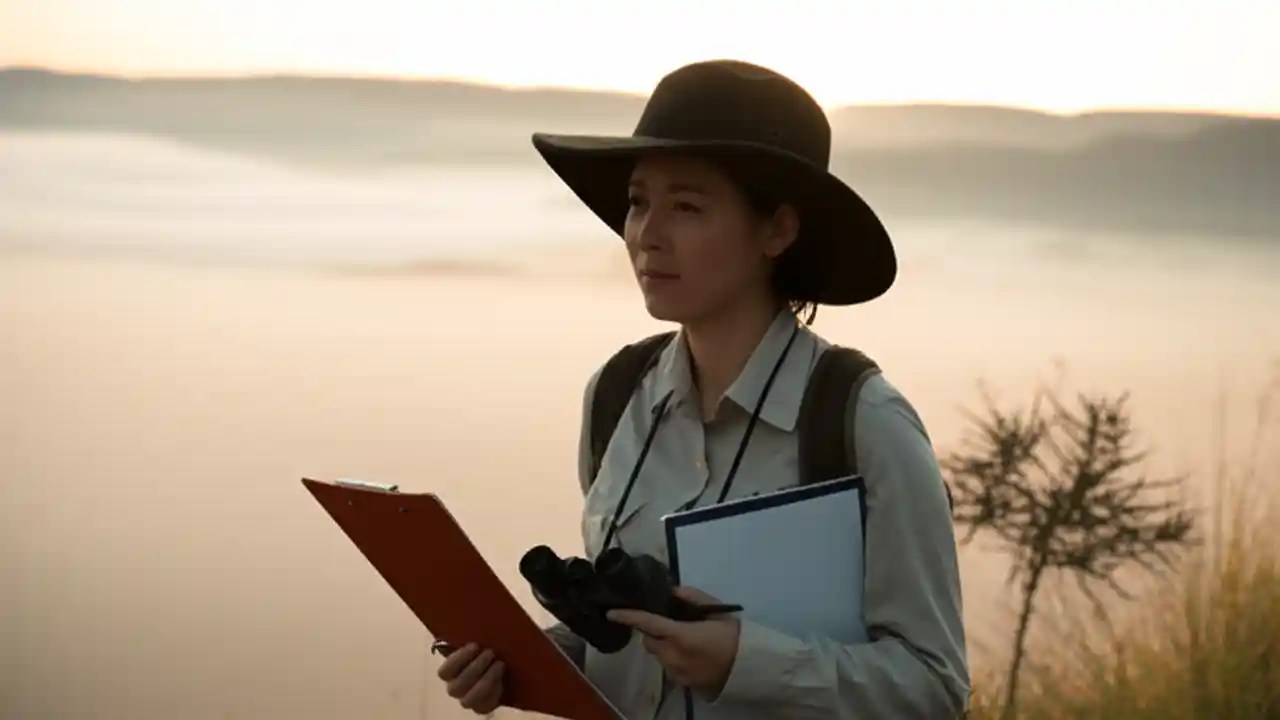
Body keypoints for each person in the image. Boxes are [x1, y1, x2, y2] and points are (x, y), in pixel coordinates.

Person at [436, 59, 970, 719]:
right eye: (637, 202)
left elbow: (934, 687)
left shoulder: (862, 422)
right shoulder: (616, 397)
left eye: (686, 207)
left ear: (777, 229)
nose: (645, 236)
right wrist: (527, 662)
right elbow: (629, 641)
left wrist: (745, 663)